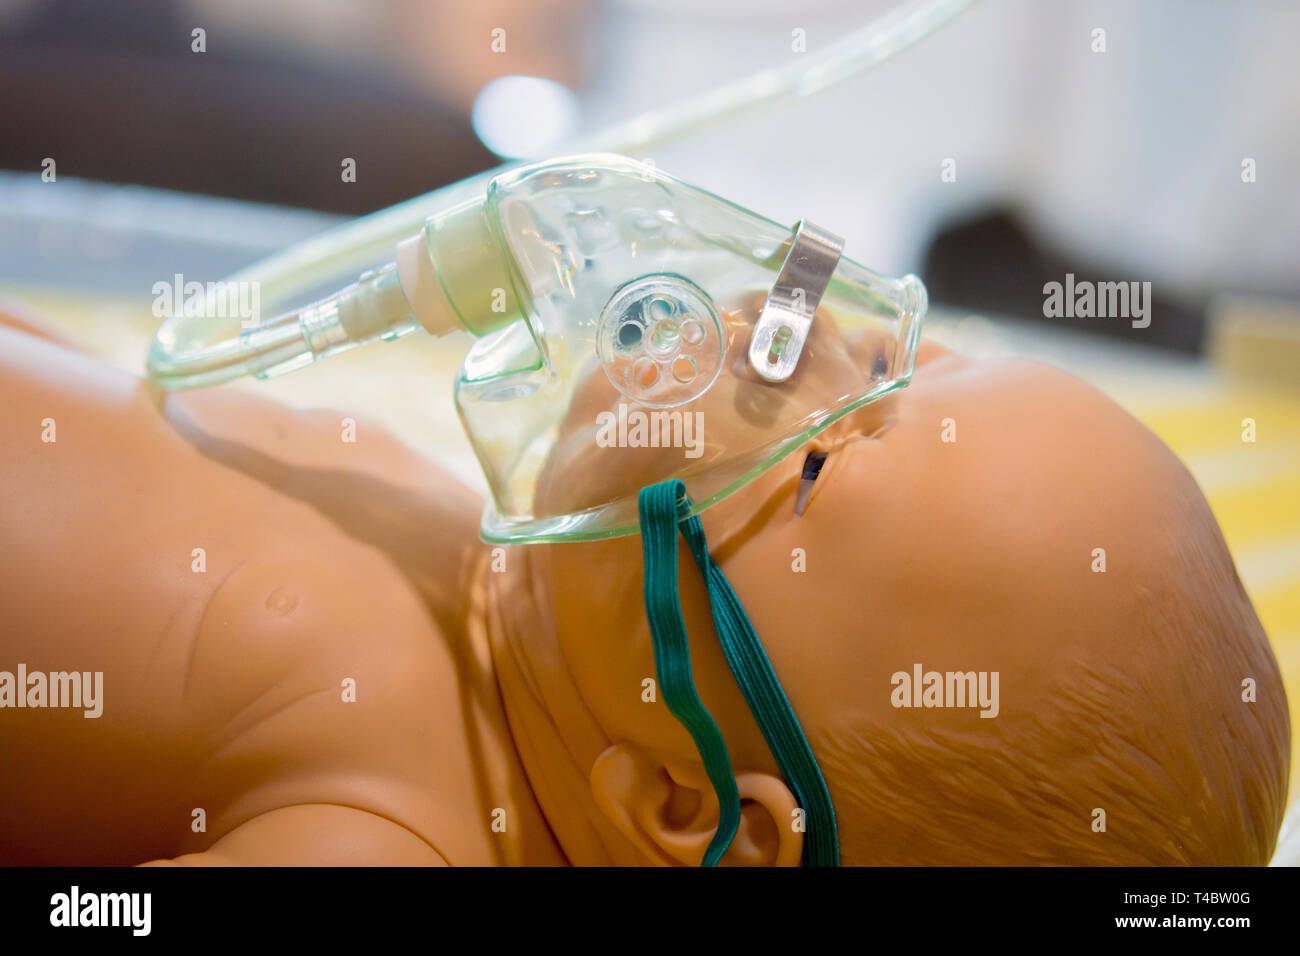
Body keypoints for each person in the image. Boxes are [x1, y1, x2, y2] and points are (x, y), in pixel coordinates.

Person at [0, 303, 1288, 865]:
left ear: (690, 813)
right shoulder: (491, 574)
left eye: (823, 465)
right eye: (893, 351)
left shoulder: (398, 828)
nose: (773, 338)